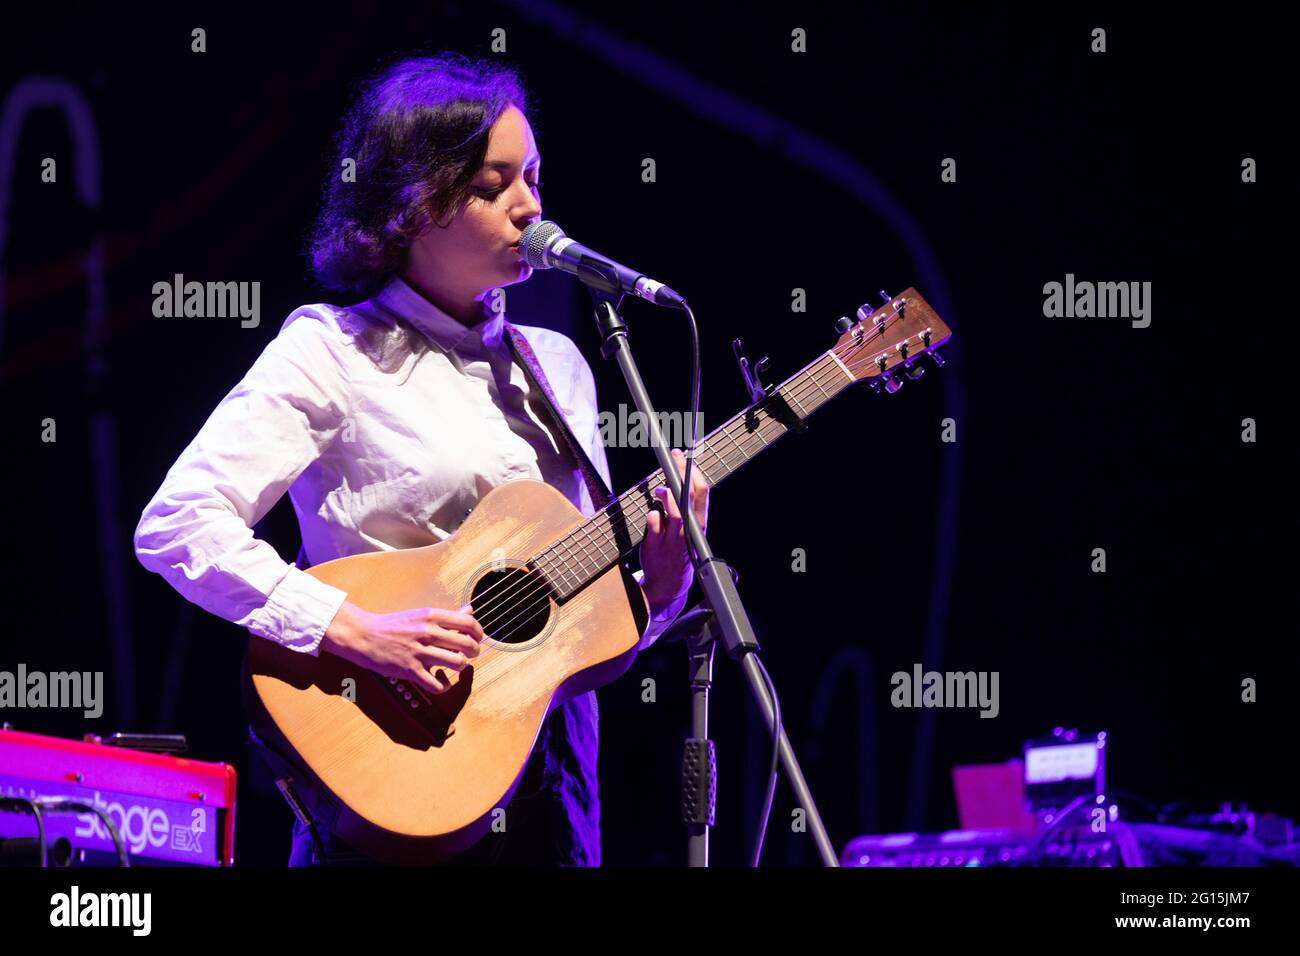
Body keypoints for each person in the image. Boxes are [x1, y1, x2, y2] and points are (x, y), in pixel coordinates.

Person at [132, 53, 709, 866]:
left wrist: (664, 582)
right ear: (413, 203)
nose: (530, 206)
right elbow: (177, 525)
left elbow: (574, 637)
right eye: (493, 183)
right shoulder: (331, 351)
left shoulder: (559, 365)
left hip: (552, 782)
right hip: (388, 762)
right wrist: (357, 630)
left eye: (535, 177)